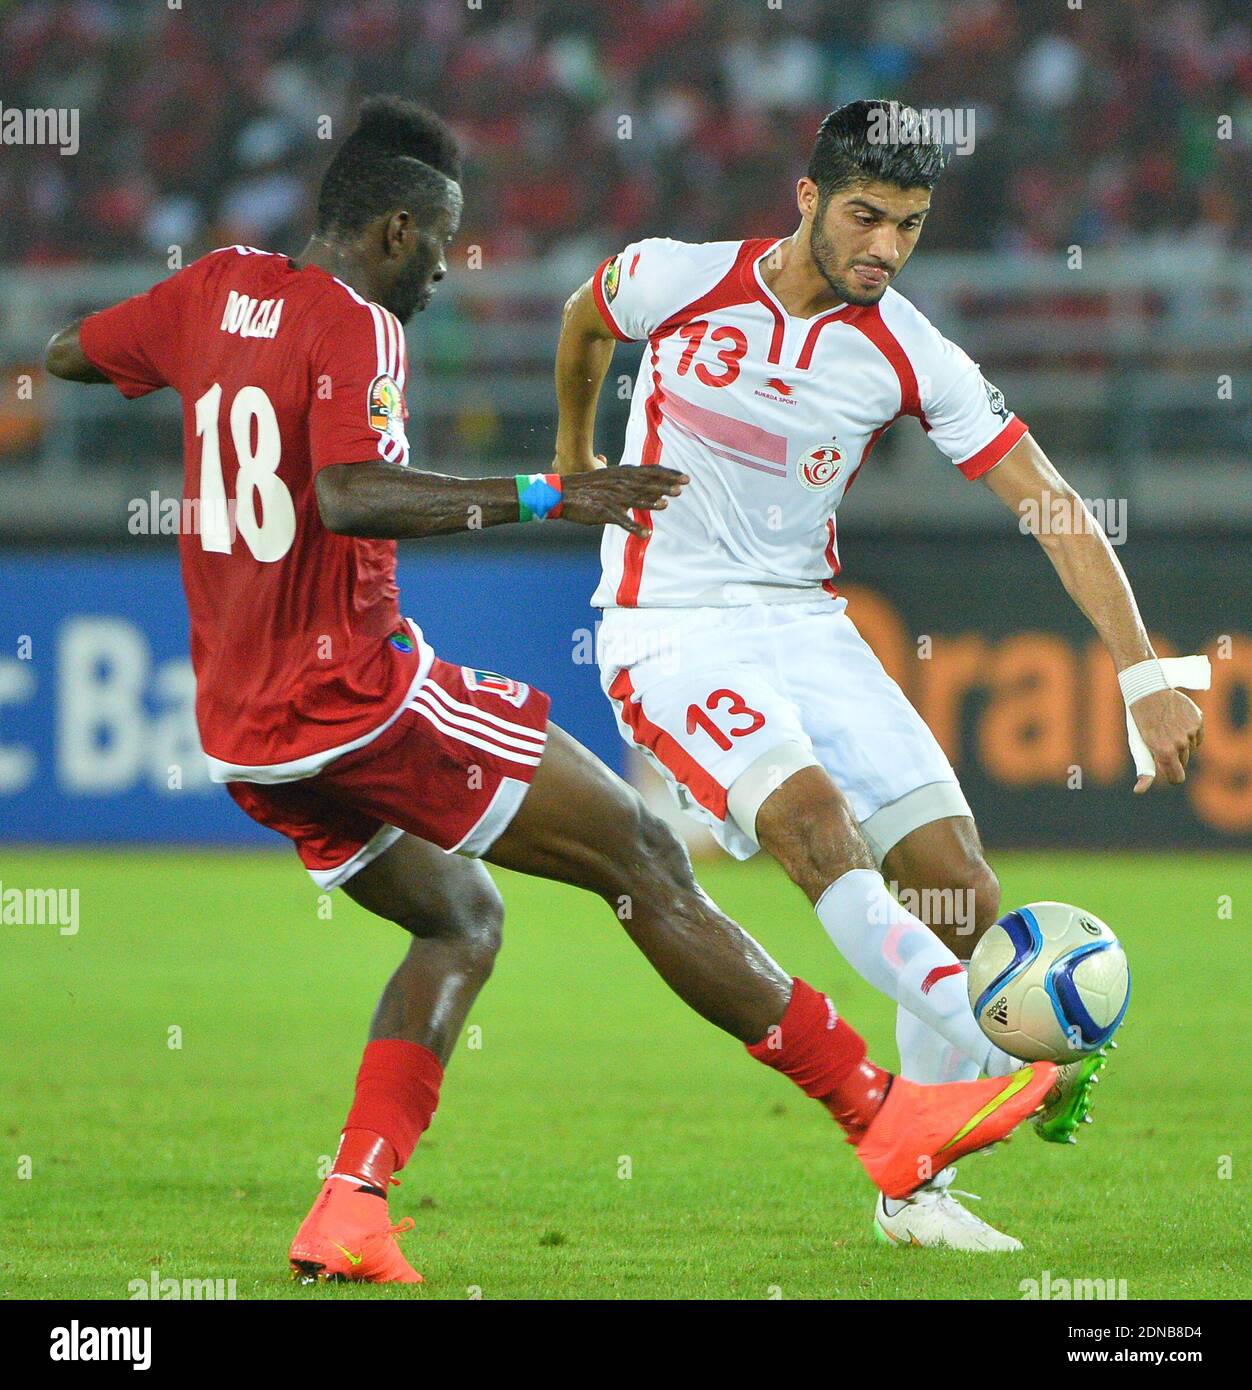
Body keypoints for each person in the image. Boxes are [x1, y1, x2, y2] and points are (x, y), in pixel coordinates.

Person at [45, 95, 1053, 1284]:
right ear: (389, 234)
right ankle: (882, 1115)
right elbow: (349, 496)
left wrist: (208, 370)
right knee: (642, 856)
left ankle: (350, 1207)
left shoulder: (212, 287)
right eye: (437, 244)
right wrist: (545, 493)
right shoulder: (360, 327)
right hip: (359, 699)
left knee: (460, 918)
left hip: (245, 733)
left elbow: (70, 353)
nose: (441, 274)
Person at [551, 98, 1202, 1250]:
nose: (884, 248)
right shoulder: (678, 279)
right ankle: (1002, 1049)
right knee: (813, 827)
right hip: (669, 625)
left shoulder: (907, 346)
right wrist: (574, 457)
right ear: (806, 199)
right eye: (864, 217)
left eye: (907, 225)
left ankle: (916, 1197)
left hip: (807, 623)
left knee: (962, 888)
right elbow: (581, 318)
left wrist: (1142, 668)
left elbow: (1048, 501)